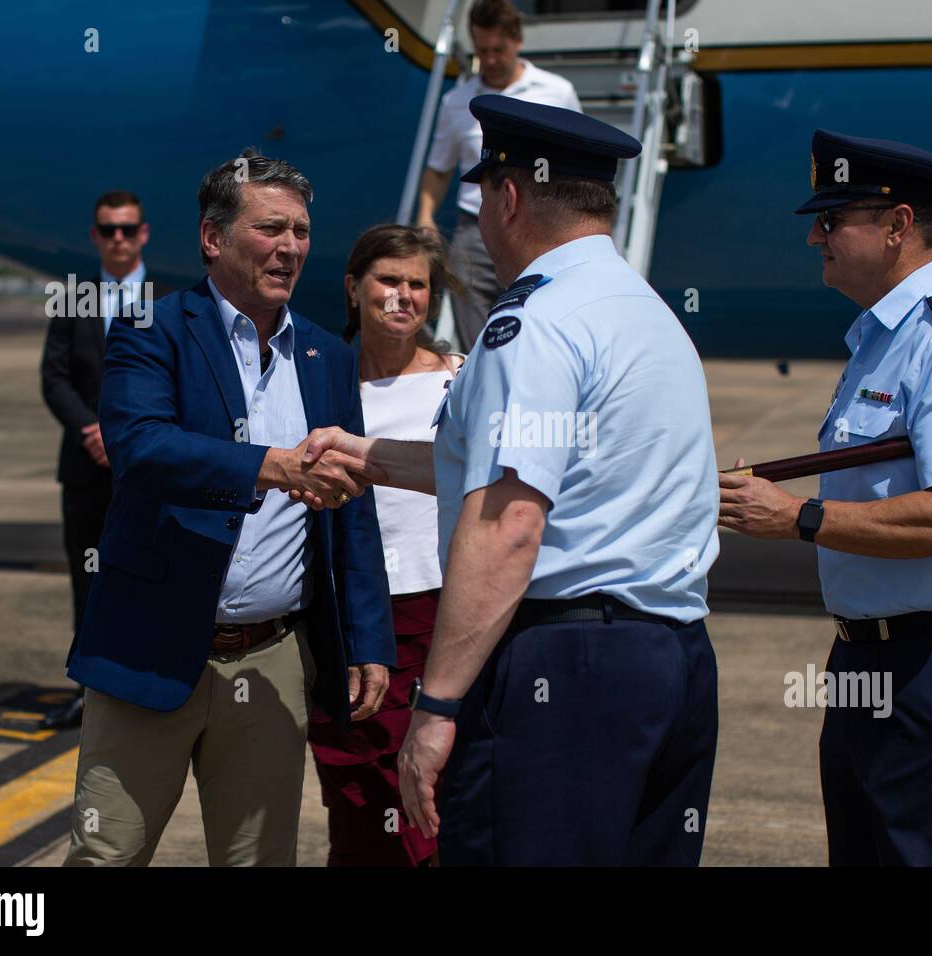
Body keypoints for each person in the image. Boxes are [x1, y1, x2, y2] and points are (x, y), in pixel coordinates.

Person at [298, 96, 721, 866]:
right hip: (673, 660)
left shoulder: (532, 325)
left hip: (567, 670)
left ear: (508, 196)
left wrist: (436, 706)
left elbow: (509, 522)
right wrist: (368, 456)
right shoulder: (645, 311)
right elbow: (528, 470)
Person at [62, 149, 394, 866]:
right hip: (150, 649)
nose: (292, 247)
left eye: (302, 231)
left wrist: (369, 637)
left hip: (273, 658)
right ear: (214, 239)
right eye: (272, 228)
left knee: (260, 859)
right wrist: (268, 466)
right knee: (107, 855)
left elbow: (352, 512)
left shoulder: (327, 357)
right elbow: (144, 449)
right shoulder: (154, 331)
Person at [718, 129, 932, 866]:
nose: (814, 238)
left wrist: (796, 516)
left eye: (833, 220)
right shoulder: (880, 339)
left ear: (897, 225)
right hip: (871, 655)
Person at [307, 224, 462, 867]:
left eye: (417, 284)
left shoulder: (460, 379)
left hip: (445, 613)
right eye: (388, 281)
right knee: (362, 799)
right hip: (356, 618)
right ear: (352, 288)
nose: (403, 296)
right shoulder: (318, 379)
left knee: (437, 797)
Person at [38, 190, 162, 730]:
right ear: (95, 236)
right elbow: (54, 377)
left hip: (146, 468)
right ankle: (88, 692)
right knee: (87, 581)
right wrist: (91, 429)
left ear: (143, 234)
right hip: (87, 467)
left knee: (151, 576)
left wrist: (131, 437)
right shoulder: (71, 298)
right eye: (108, 230)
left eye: (127, 229)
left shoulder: (170, 301)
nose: (118, 238)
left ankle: (147, 686)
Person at [417, 0, 581, 350]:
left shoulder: (557, 92)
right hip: (474, 228)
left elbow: (577, 161)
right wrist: (426, 216)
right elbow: (438, 167)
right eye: (482, 51)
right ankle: (486, 378)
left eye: (498, 50)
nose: (489, 60)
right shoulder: (456, 101)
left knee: (540, 317)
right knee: (474, 323)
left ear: (517, 41)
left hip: (538, 227)